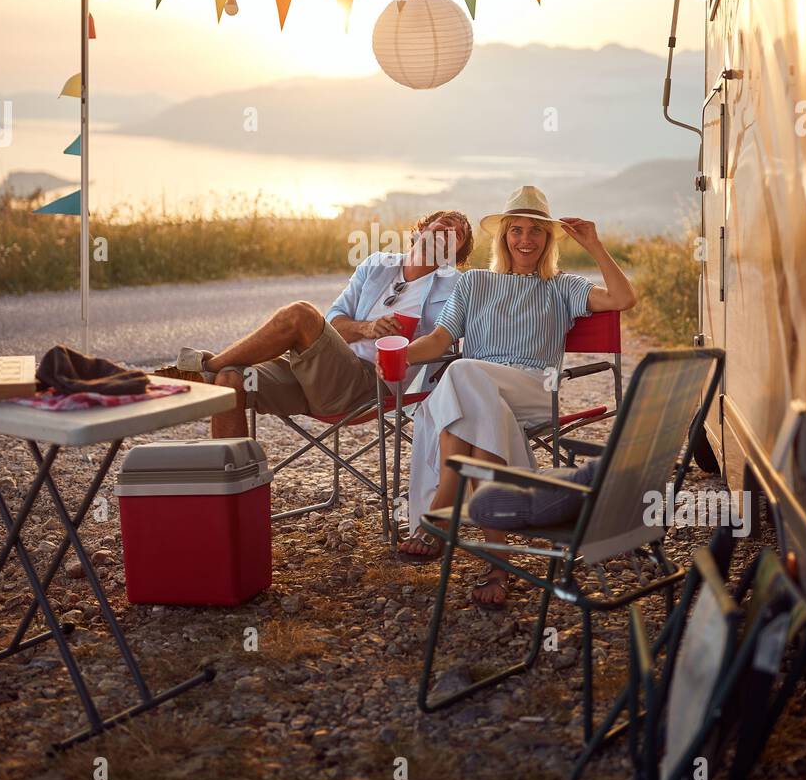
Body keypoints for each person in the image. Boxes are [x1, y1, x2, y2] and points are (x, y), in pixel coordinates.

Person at [399, 185, 636, 607]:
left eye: (536, 232)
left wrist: (596, 246)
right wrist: (398, 358)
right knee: (473, 400)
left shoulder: (562, 286)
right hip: (477, 395)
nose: (525, 240)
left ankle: (440, 512)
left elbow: (623, 297)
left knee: (462, 374)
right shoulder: (474, 282)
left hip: (532, 387)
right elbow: (438, 339)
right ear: (503, 236)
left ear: (547, 241)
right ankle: (499, 561)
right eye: (516, 230)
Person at [162, 210, 473, 439]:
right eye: (443, 223)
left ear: (455, 255)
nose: (449, 229)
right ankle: (231, 491)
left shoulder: (455, 287)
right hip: (316, 374)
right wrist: (366, 328)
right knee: (231, 380)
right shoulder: (377, 265)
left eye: (457, 234)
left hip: (368, 387)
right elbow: (334, 322)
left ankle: (203, 368)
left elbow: (446, 343)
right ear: (419, 230)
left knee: (300, 314)